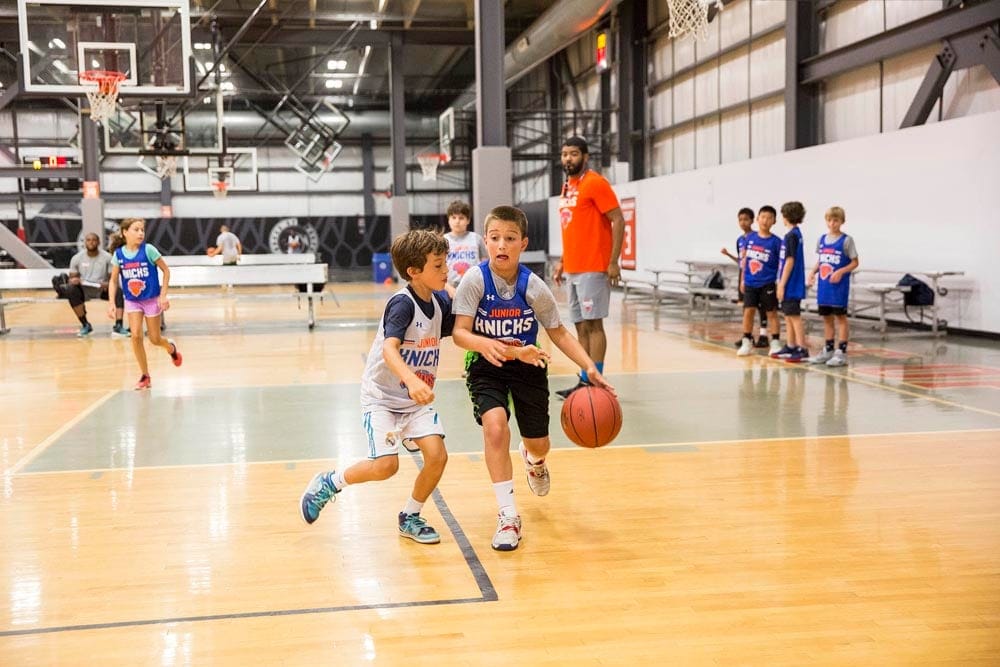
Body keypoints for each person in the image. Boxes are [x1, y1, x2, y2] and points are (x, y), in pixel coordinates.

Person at [452, 205, 614, 552]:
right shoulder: (474, 280)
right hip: (485, 364)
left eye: (510, 239)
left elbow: (559, 333)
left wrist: (590, 368)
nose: (502, 245)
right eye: (495, 238)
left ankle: (534, 459)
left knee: (538, 443)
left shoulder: (534, 287)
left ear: (522, 243)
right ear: (485, 241)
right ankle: (508, 514)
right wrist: (492, 346)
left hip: (529, 365)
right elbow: (461, 334)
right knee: (495, 427)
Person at [300, 230, 453, 545]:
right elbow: (389, 349)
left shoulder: (439, 302)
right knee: (386, 466)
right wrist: (411, 380)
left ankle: (410, 516)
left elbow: (464, 329)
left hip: (415, 400)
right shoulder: (402, 304)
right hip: (383, 397)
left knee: (437, 456)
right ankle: (330, 482)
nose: (446, 271)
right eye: (438, 266)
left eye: (444, 263)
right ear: (414, 271)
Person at [552, 136, 625, 399]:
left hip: (594, 266)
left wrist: (613, 261)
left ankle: (598, 381)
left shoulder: (595, 183)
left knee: (594, 325)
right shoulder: (568, 187)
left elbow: (618, 219)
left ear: (585, 156)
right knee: (580, 326)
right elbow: (573, 228)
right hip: (573, 267)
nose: (567, 159)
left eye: (573, 154)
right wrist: (562, 261)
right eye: (564, 154)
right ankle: (585, 378)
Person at [107, 218, 183, 390]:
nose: (141, 233)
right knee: (135, 336)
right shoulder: (118, 255)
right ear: (125, 232)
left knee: (155, 339)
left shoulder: (148, 250)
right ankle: (145, 375)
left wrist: (163, 296)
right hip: (132, 301)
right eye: (136, 229)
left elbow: (166, 270)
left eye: (142, 230)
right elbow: (113, 281)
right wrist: (111, 302)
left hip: (151, 299)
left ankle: (171, 348)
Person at [808, 206, 859, 367]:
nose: (832, 223)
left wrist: (841, 271)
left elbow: (855, 262)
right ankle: (828, 349)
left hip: (838, 287)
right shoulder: (822, 240)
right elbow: (821, 260)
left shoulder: (846, 240)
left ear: (841, 221)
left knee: (841, 318)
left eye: (836, 220)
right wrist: (812, 272)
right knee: (826, 318)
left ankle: (841, 352)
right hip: (824, 287)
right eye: (829, 220)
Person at [51, 232, 128, 338]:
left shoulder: (107, 257)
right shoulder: (77, 258)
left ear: (99, 242)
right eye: (88, 240)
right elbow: (72, 278)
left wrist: (106, 284)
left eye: (94, 240)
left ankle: (119, 326)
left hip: (102, 289)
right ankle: (85, 325)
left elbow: (112, 279)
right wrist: (74, 280)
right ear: (84, 243)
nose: (91, 242)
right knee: (71, 290)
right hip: (84, 290)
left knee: (118, 291)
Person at [737, 205, 783, 357]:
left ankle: (775, 342)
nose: (765, 220)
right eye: (763, 217)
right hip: (750, 282)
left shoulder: (777, 242)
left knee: (771, 313)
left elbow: (782, 264)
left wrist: (780, 283)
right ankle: (746, 341)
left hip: (768, 283)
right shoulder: (749, 238)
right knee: (748, 311)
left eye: (769, 218)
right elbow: (744, 261)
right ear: (757, 219)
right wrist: (742, 280)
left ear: (774, 221)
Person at [721, 207, 769, 348]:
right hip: (745, 276)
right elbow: (742, 261)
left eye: (746, 219)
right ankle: (747, 336)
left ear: (752, 220)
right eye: (740, 220)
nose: (743, 222)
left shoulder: (757, 237)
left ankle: (763, 335)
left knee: (761, 307)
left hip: (758, 277)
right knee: (747, 308)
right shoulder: (740, 240)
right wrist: (729, 255)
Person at [774, 201, 808, 362]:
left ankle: (802, 347)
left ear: (785, 216)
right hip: (791, 282)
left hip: (791, 283)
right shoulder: (795, 234)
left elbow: (790, 260)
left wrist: (781, 284)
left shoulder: (791, 236)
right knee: (787, 315)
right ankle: (791, 345)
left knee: (794, 315)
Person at [443, 200, 486, 298]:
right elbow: (436, 269)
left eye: (461, 218)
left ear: (468, 220)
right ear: (448, 220)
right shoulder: (442, 241)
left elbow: (485, 265)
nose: (457, 221)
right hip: (450, 290)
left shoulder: (476, 238)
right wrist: (449, 288)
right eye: (453, 217)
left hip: (474, 288)